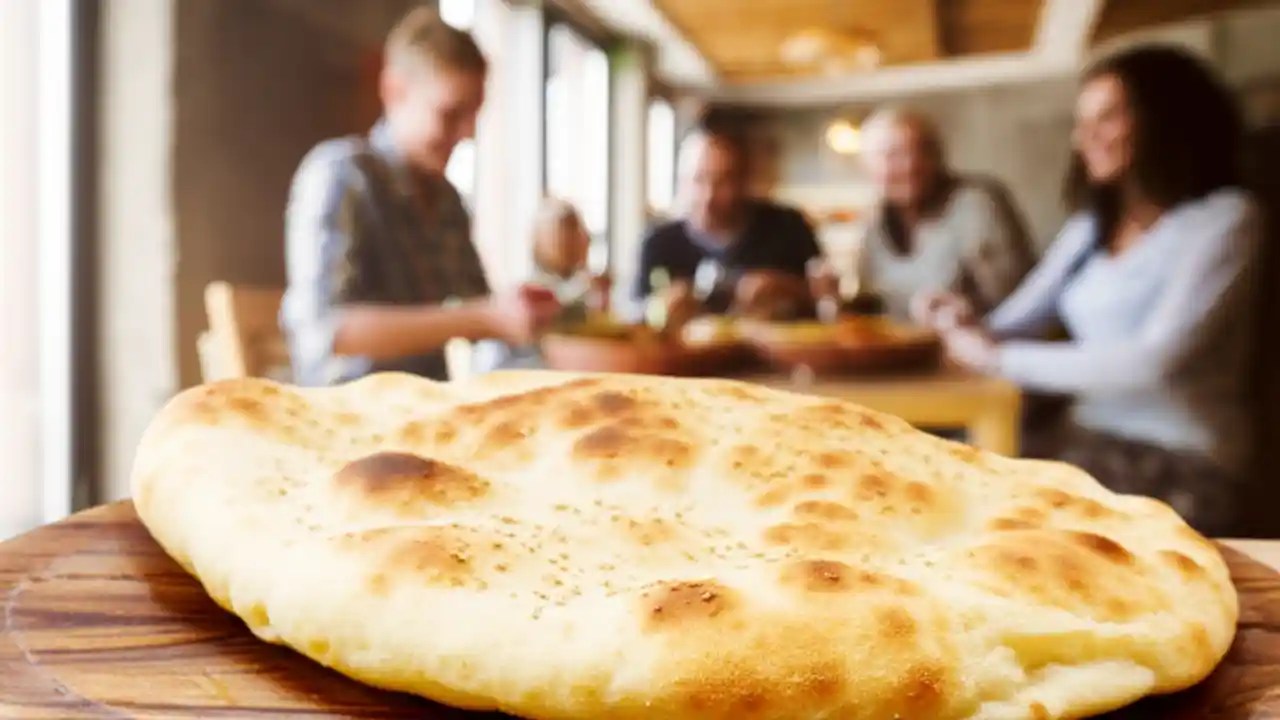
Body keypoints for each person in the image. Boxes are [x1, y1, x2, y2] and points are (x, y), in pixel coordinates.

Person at [915, 45, 1261, 536]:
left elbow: (1153, 361)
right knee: (946, 498)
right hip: (1083, 439)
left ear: (1166, 120)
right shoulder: (1090, 226)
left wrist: (995, 359)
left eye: (1108, 118)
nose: (1085, 139)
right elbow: (1018, 320)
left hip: (1183, 455)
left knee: (1002, 534)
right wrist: (959, 316)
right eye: (1082, 122)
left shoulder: (1226, 220)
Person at [280, 8, 559, 386]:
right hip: (342, 418)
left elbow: (486, 319)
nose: (466, 133)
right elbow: (328, 330)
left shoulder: (448, 201)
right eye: (450, 113)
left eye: (473, 116)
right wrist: (486, 317)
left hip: (426, 417)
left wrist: (519, 325)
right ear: (394, 90)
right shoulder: (340, 174)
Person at [857, 107, 1035, 322]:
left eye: (922, 150)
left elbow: (1019, 298)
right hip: (904, 350)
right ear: (867, 166)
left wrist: (966, 308)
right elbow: (874, 307)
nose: (910, 164)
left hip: (974, 345)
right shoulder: (874, 225)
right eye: (893, 155)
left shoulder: (977, 204)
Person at [633, 123, 823, 319]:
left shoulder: (789, 228)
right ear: (681, 181)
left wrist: (791, 291)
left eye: (723, 181)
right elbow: (632, 313)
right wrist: (658, 308)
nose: (709, 196)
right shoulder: (658, 244)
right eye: (698, 180)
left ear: (745, 181)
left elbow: (828, 304)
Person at [529, 197, 610, 324]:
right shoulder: (532, 291)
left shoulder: (592, 286)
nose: (574, 241)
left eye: (576, 230)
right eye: (563, 232)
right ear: (539, 241)